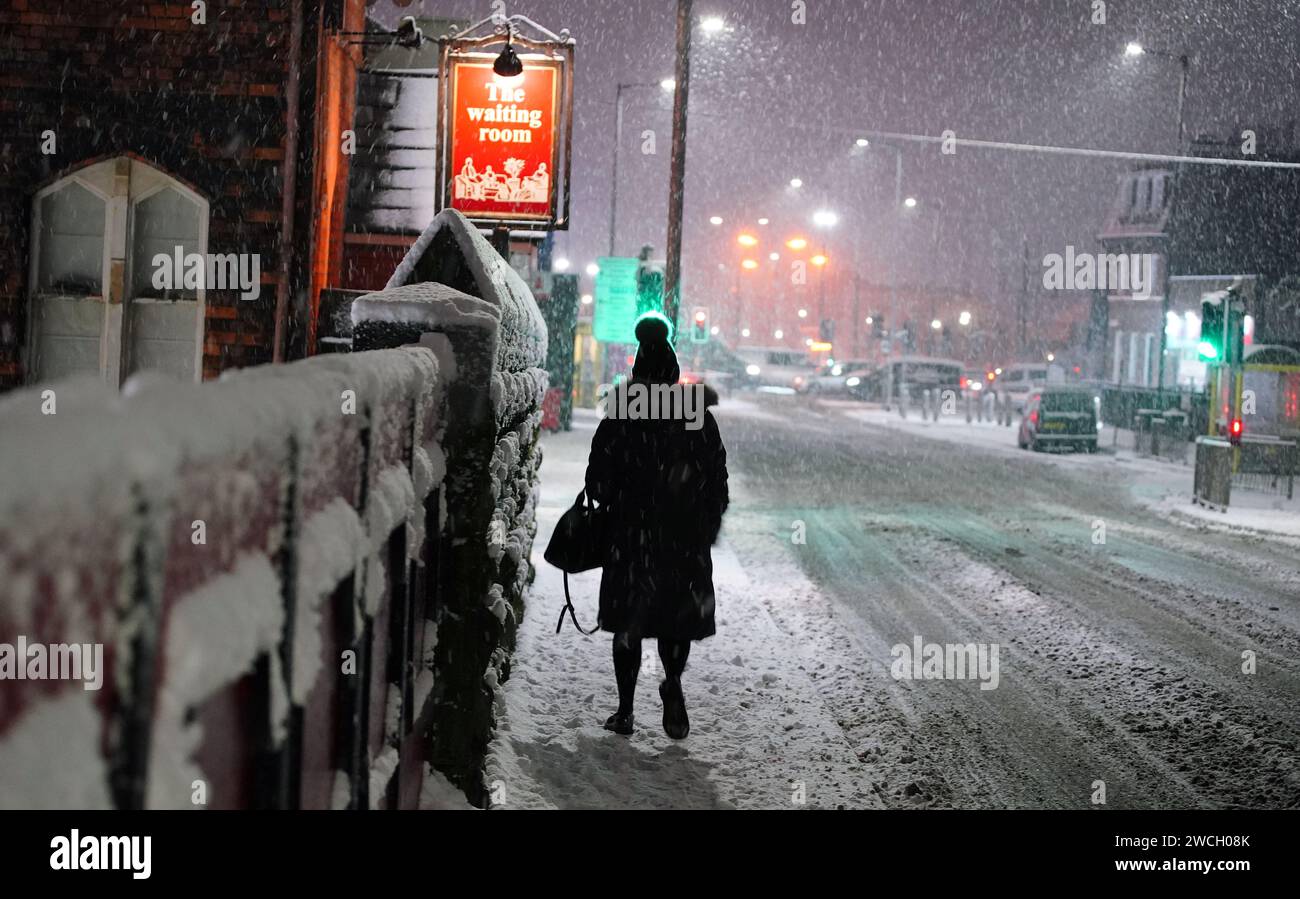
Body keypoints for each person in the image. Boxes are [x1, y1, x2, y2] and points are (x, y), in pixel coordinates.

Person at [584, 314, 729, 739]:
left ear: (638, 369)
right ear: (673, 369)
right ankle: (674, 683)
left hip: (632, 537)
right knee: (675, 619)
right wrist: (707, 521)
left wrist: (613, 499)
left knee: (630, 622)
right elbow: (716, 475)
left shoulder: (622, 411)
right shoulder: (695, 414)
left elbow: (598, 478)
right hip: (682, 538)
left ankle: (625, 710)